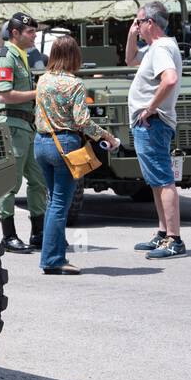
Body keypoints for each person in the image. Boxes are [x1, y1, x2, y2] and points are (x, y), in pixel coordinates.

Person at [33, 36, 121, 275]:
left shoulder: (43, 80)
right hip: (65, 145)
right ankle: (52, 259)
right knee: (60, 203)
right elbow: (83, 121)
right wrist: (108, 137)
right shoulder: (75, 84)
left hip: (41, 143)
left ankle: (54, 254)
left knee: (53, 201)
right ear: (74, 56)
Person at [126, 1, 187, 259]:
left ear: (150, 23)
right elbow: (130, 60)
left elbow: (170, 79)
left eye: (139, 22)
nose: (136, 26)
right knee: (156, 181)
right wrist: (131, 35)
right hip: (153, 123)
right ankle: (164, 233)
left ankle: (174, 239)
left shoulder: (160, 47)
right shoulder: (157, 47)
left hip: (154, 123)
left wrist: (150, 108)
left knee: (162, 180)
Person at [0, 12, 48, 252]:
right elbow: (4, 95)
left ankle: (39, 233)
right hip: (12, 126)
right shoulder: (6, 58)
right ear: (15, 33)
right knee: (10, 184)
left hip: (26, 126)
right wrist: (39, 92)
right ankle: (9, 235)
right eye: (30, 32)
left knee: (38, 180)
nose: (34, 35)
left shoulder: (22, 56)